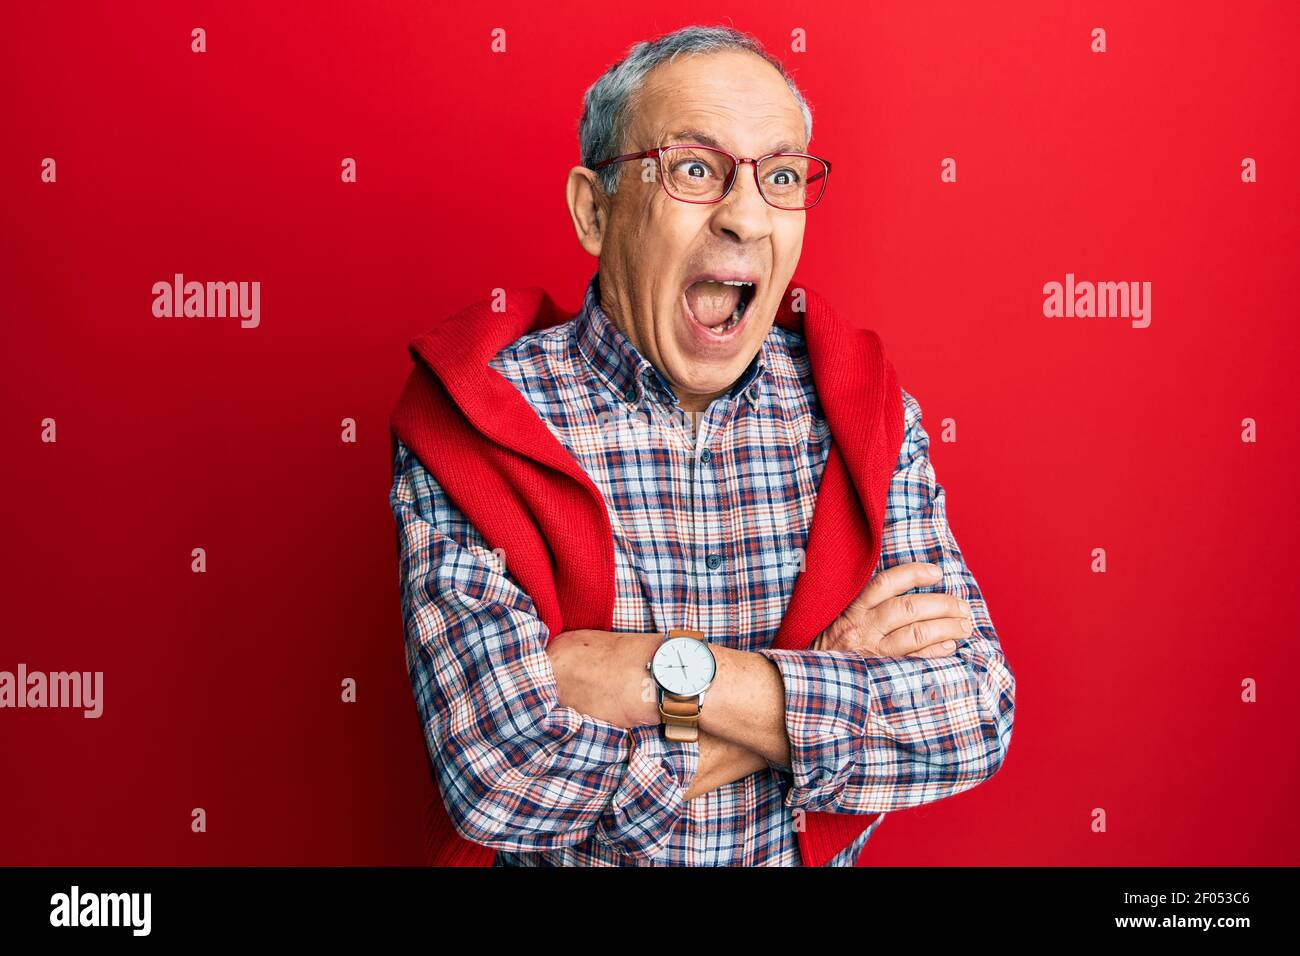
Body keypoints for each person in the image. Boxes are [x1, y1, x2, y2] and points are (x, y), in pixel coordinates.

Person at [388, 24, 1015, 867]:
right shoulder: (474, 420)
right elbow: (500, 773)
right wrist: (824, 680)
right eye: (694, 169)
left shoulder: (864, 413)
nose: (748, 216)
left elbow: (970, 717)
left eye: (782, 176)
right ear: (595, 209)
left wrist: (669, 677)